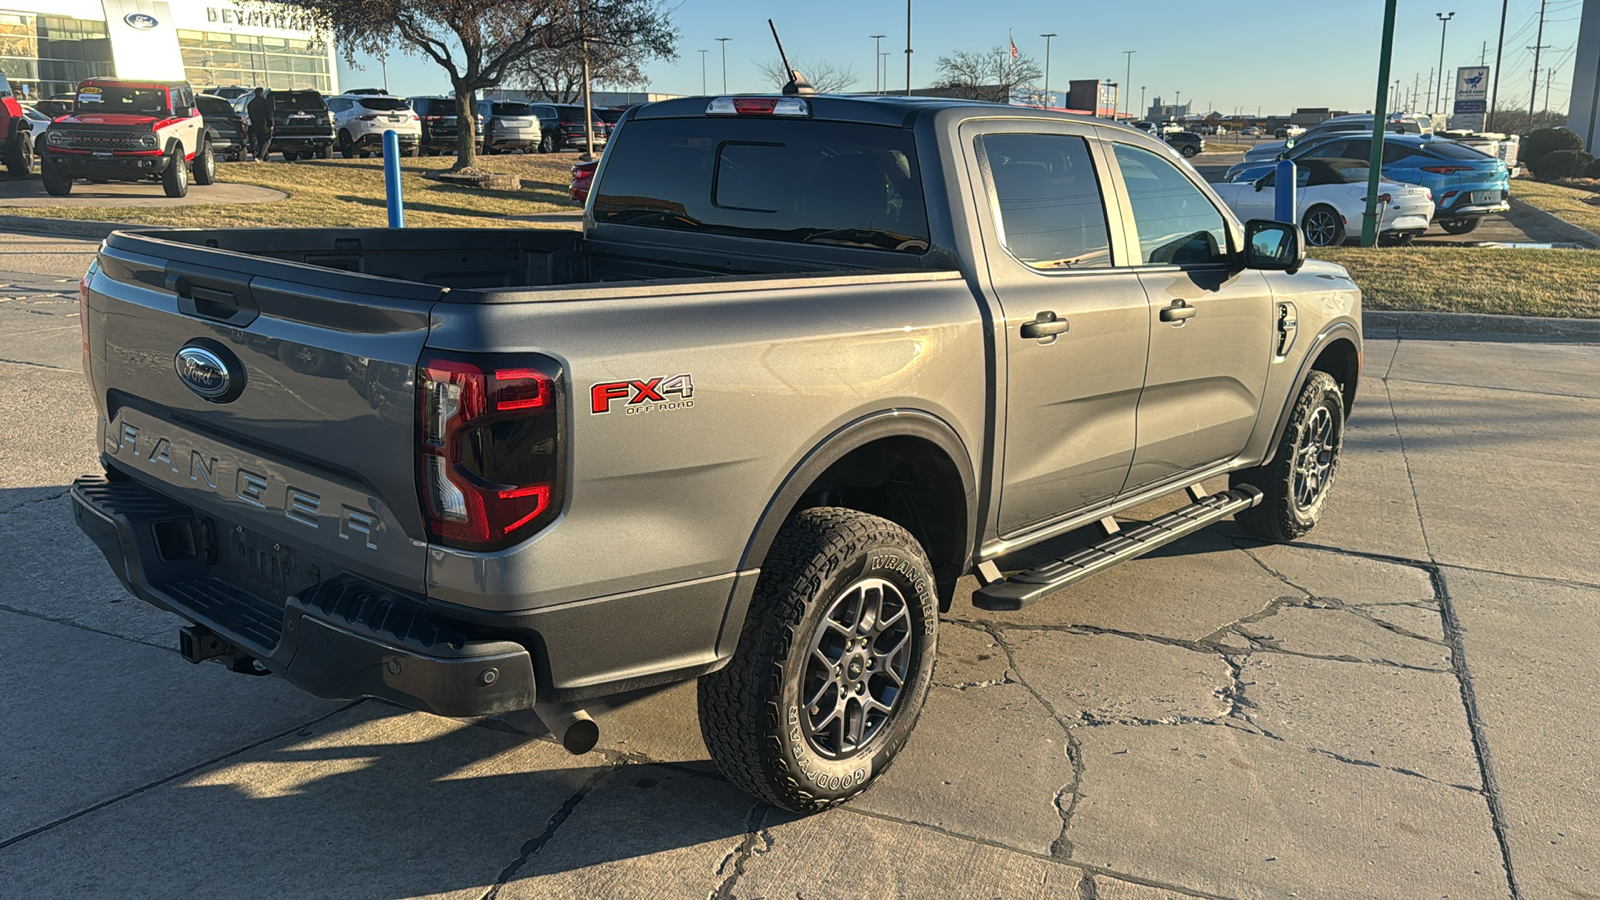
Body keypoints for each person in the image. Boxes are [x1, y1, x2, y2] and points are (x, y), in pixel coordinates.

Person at [245, 87, 273, 161]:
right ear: (261, 93)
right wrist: (271, 123)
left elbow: (250, 114)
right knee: (266, 140)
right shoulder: (265, 102)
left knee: (260, 140)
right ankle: (260, 156)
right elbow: (269, 114)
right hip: (265, 124)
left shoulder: (251, 104)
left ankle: (266, 157)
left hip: (255, 124)